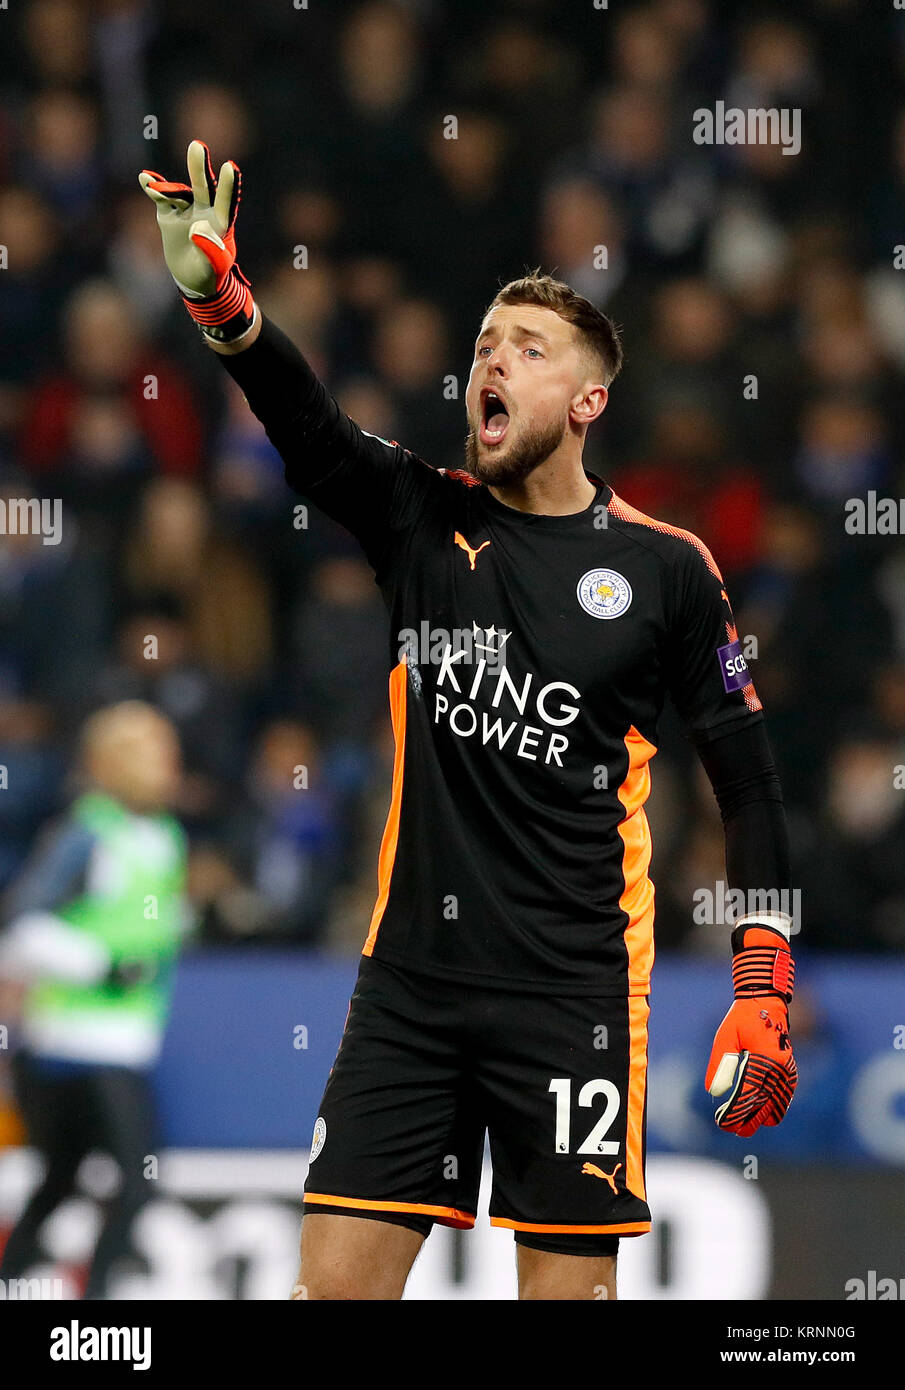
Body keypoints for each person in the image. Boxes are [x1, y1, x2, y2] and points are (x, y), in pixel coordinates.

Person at [140, 142, 797, 1301]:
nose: (490, 361)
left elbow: (744, 781)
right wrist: (222, 304)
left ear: (587, 401)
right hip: (410, 987)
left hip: (576, 998)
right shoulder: (417, 517)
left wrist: (761, 983)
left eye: (526, 349)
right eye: (484, 344)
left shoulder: (666, 572)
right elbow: (308, 426)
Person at [0, 702, 188, 1299]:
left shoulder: (165, 837)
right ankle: (97, 1306)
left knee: (61, 1178)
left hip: (127, 1040)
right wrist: (103, 965)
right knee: (136, 1182)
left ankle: (14, 1280)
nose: (167, 763)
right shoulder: (86, 833)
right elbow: (23, 925)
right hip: (74, 1043)